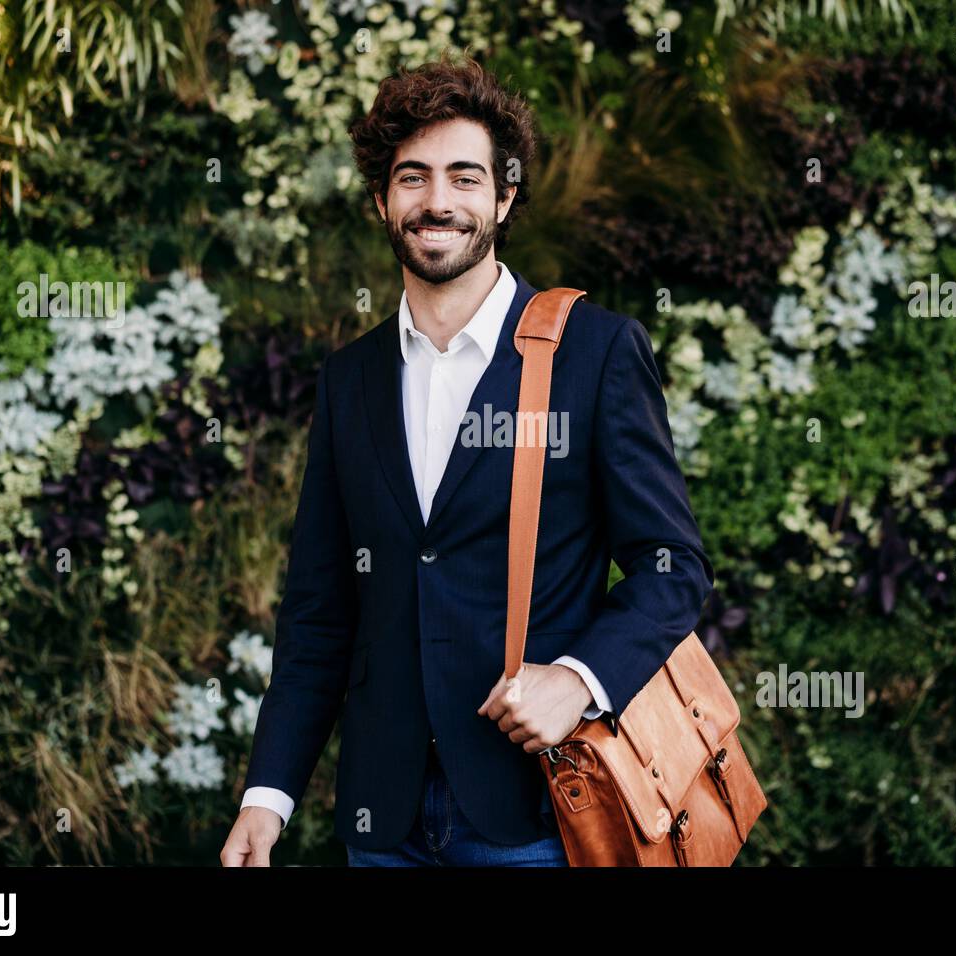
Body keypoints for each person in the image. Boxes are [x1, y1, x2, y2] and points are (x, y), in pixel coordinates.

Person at [219, 55, 712, 867]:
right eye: (412, 178)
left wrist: (578, 678)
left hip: (539, 810)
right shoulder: (350, 380)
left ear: (504, 196)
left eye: (464, 177)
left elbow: (672, 567)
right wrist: (266, 798)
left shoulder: (595, 351)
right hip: (383, 824)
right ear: (383, 201)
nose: (437, 202)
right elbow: (318, 611)